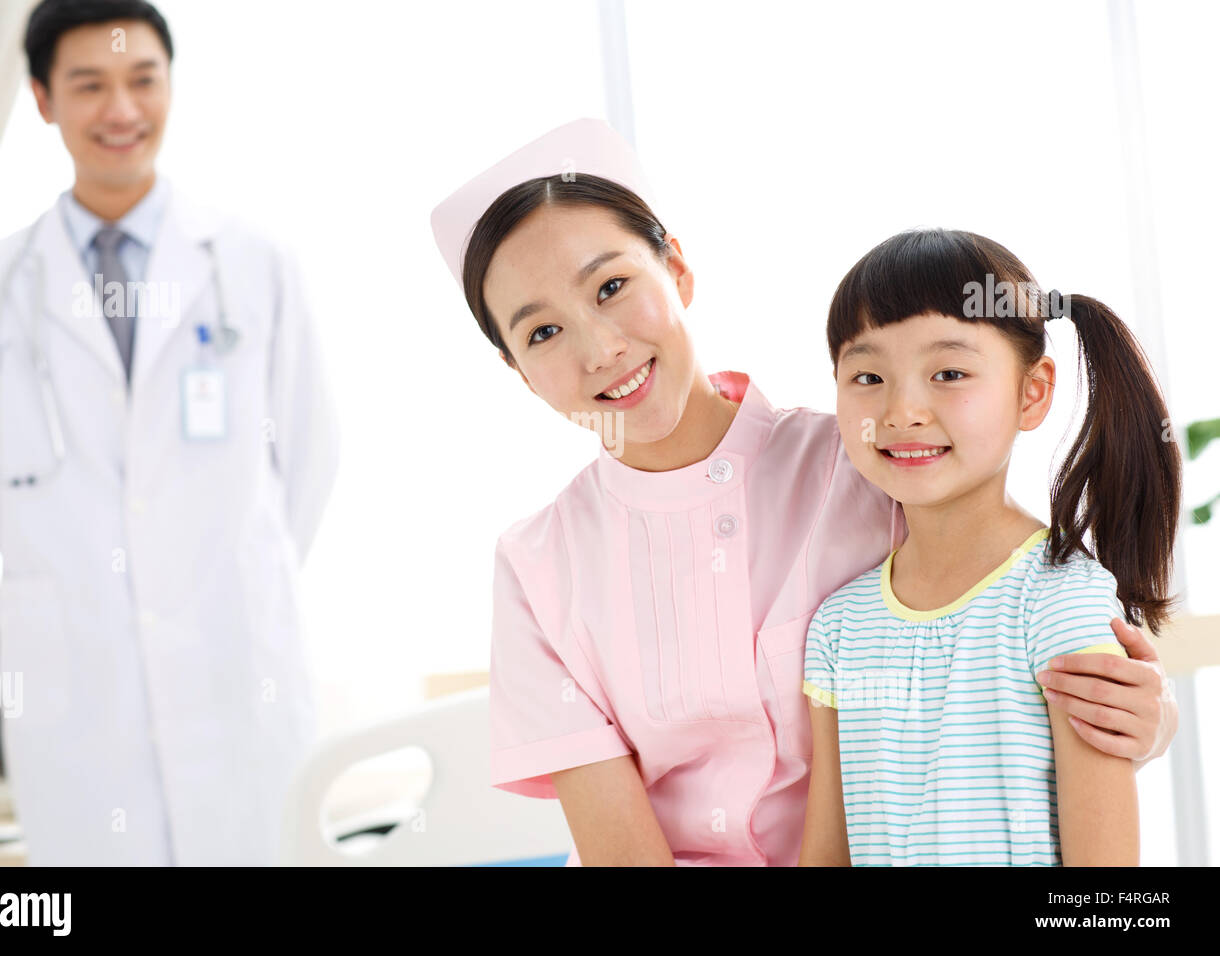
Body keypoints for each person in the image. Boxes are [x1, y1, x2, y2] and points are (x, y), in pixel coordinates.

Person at [429, 119, 1177, 866]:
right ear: (519, 372)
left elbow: (1004, 621)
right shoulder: (535, 567)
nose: (599, 349)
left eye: (613, 286)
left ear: (678, 270)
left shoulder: (871, 458)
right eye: (542, 334)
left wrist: (1140, 715)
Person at [0, 0, 339, 865]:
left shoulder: (253, 263)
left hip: (236, 670)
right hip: (79, 698)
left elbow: (308, 456)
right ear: (43, 99)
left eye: (142, 80)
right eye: (89, 85)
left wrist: (223, 573)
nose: (121, 109)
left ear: (169, 87)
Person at [799, 229, 1180, 865]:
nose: (902, 410)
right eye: (868, 375)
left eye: (949, 372)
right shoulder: (837, 629)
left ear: (1032, 392)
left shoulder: (1059, 600)